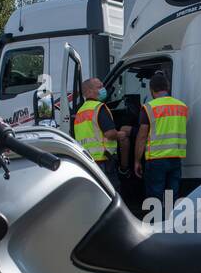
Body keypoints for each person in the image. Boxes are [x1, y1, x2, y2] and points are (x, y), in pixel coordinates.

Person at [133, 71, 187, 205]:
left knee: (155, 200)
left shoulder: (149, 108)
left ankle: (156, 225)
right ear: (167, 87)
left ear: (151, 90)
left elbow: (142, 137)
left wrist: (137, 161)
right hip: (175, 159)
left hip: (156, 160)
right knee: (171, 199)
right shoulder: (182, 107)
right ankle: (170, 225)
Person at [73, 77, 131, 186]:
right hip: (104, 159)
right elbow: (109, 133)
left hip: (88, 161)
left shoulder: (80, 112)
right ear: (89, 91)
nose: (103, 89)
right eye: (99, 87)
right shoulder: (99, 108)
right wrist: (121, 134)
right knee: (113, 192)